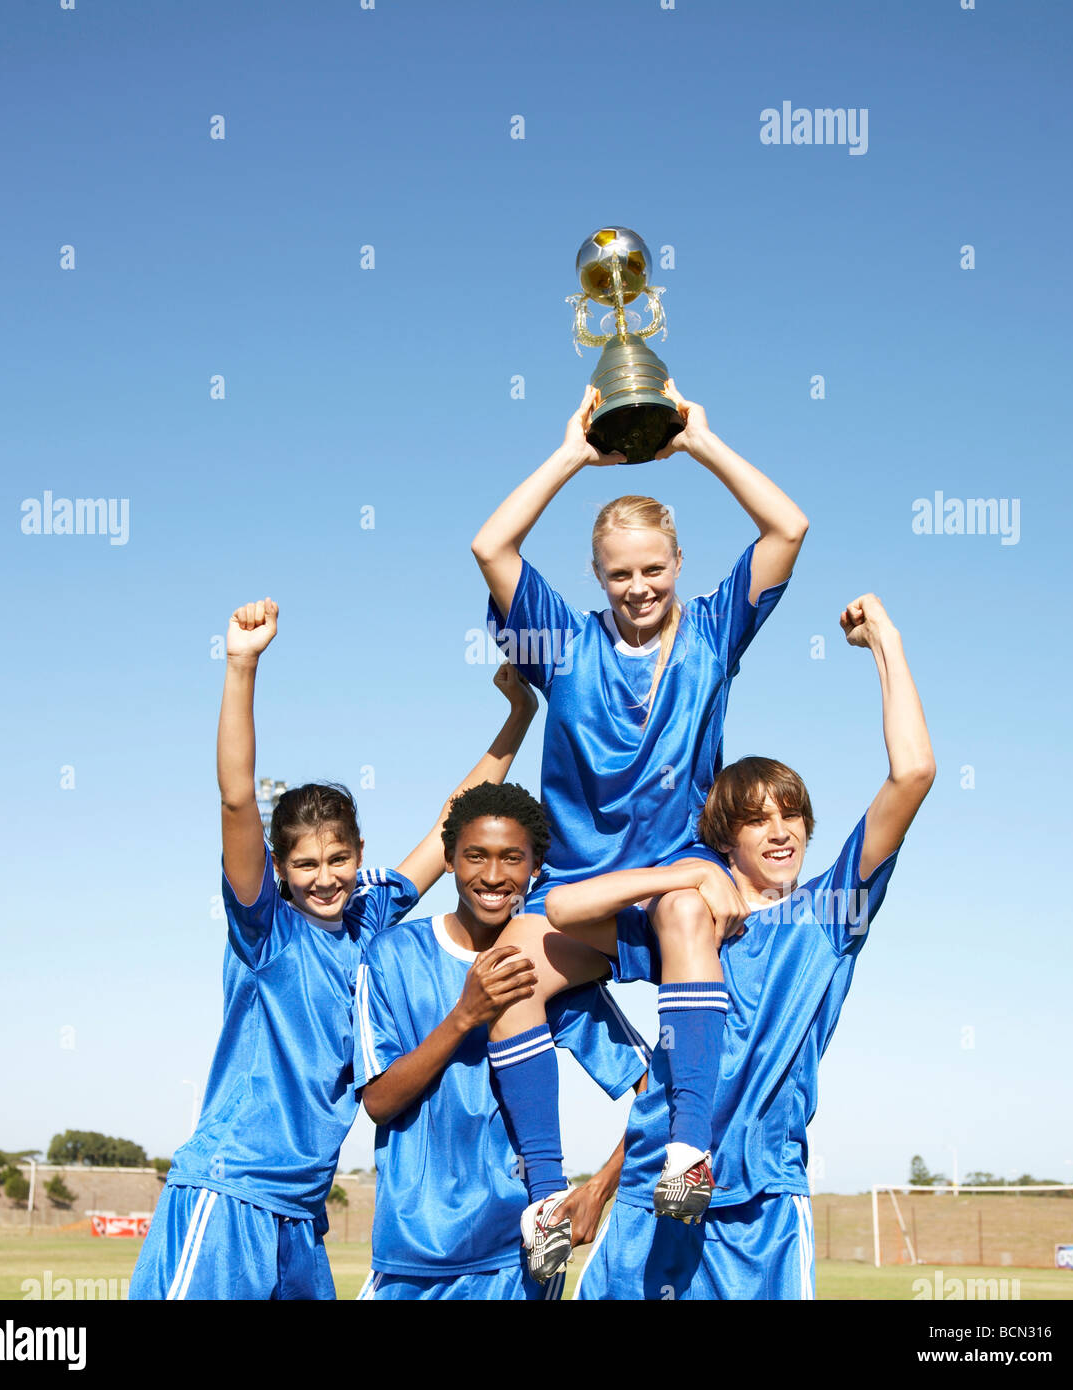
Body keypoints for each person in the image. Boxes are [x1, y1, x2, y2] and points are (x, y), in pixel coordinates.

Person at [470, 383, 808, 1270]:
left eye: (653, 568)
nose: (638, 586)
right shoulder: (562, 646)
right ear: (596, 579)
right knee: (502, 974)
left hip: (676, 904)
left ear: (678, 565)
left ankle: (686, 1152)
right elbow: (490, 544)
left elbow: (787, 530)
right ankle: (546, 1194)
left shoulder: (710, 635)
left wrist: (701, 437)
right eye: (619, 573)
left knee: (691, 906)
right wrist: (575, 452)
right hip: (581, 897)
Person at [129, 598, 539, 1300]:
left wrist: (517, 718)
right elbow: (235, 800)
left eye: (338, 859)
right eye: (307, 866)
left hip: (301, 1212)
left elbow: (453, 818)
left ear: (358, 854)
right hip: (231, 1191)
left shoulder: (370, 916)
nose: (325, 878)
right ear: (280, 870)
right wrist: (242, 665)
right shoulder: (266, 930)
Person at [554, 593, 935, 1299]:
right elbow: (562, 911)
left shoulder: (829, 914)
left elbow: (911, 775)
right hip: (649, 1195)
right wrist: (682, 874)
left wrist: (885, 637)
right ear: (726, 837)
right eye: (757, 820)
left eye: (791, 814)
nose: (780, 830)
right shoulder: (684, 922)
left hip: (760, 1200)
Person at [353, 780, 648, 1300]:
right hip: (414, 1256)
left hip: (520, 1260)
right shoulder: (391, 955)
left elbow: (652, 1087)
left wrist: (600, 1188)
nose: (493, 876)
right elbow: (378, 1102)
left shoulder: (549, 966)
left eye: (512, 858)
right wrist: (464, 1016)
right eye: (476, 856)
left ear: (535, 868)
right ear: (448, 861)